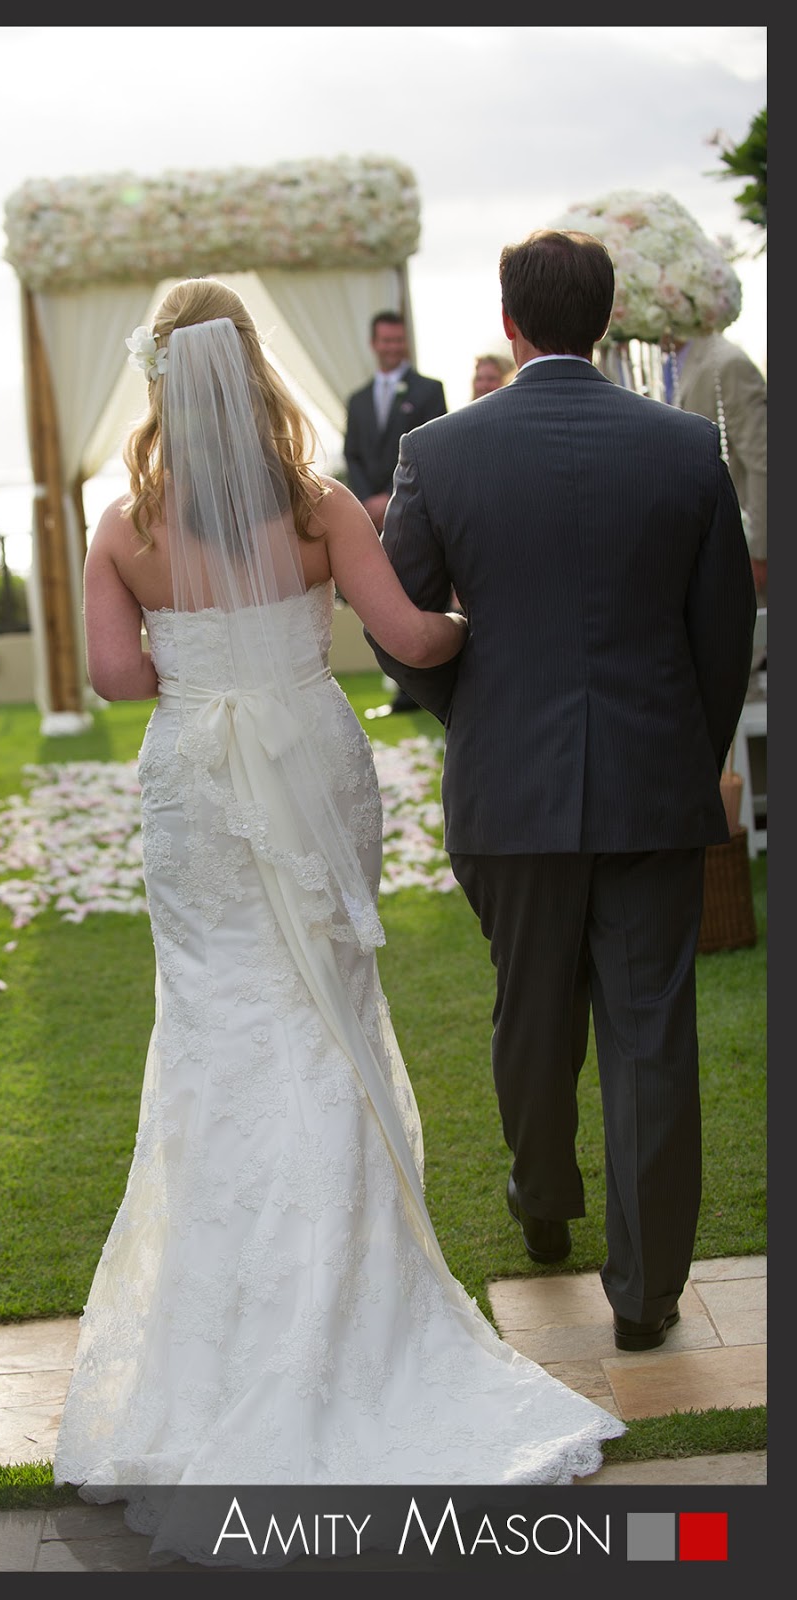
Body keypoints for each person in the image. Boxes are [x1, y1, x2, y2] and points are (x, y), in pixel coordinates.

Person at [53, 278, 624, 1556]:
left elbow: (112, 676)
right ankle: (355, 1308)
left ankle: (223, 1330)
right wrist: (478, 626)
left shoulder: (124, 521)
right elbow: (411, 638)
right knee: (325, 1007)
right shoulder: (316, 504)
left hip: (195, 774)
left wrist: (195, 658)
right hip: (310, 762)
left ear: (158, 377)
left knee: (213, 1025)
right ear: (256, 366)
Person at [367, 229, 756, 1357]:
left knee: (527, 1011)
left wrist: (473, 718)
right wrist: (685, 752)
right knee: (649, 1037)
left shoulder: (437, 453)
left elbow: (402, 635)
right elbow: (721, 634)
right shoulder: (685, 446)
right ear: (605, 318)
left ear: (508, 320)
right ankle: (642, 1293)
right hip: (651, 783)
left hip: (508, 788)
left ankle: (541, 1200)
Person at [344, 310, 448, 716]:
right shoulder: (357, 399)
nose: (391, 347)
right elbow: (352, 453)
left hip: (413, 509)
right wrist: (365, 500)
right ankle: (401, 687)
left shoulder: (429, 391)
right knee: (380, 598)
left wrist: (392, 497)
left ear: (405, 341)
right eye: (384, 341)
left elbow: (433, 447)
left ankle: (419, 689)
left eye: (397, 340)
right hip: (368, 517)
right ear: (374, 344)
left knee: (416, 594)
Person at [671, 331, 767, 599]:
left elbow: (763, 462)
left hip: (738, 546)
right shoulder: (647, 361)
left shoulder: (728, 363)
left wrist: (761, 552)